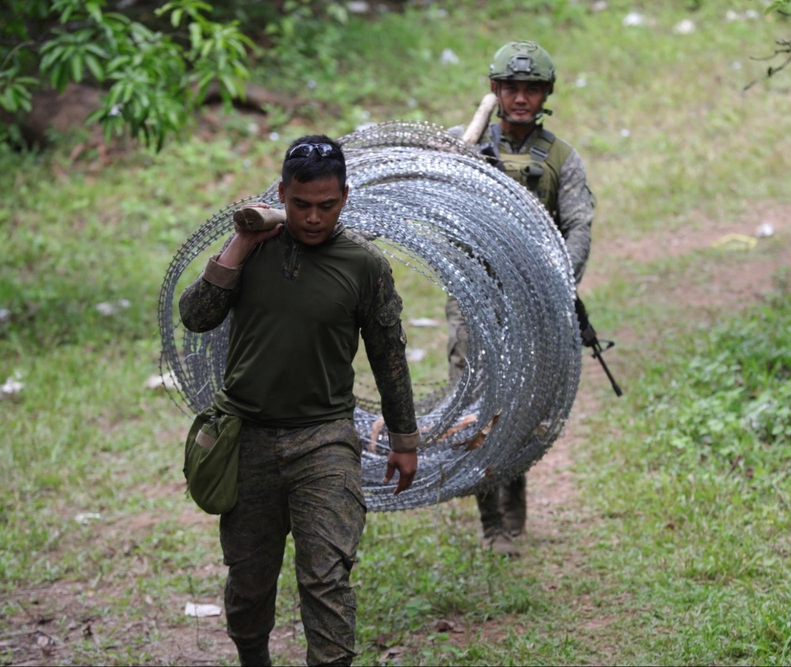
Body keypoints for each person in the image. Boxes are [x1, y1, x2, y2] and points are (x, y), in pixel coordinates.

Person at [179, 134, 421, 666]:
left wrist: (405, 438)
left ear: (345, 197)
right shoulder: (252, 249)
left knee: (327, 576)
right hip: (247, 439)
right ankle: (253, 658)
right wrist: (241, 243)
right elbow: (196, 316)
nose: (313, 218)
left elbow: (388, 354)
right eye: (301, 205)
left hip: (325, 440)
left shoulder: (364, 266)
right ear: (282, 194)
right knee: (249, 579)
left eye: (327, 206)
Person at [447, 40, 595, 557]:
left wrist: (555, 281)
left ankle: (515, 504)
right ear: (495, 90)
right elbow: (437, 199)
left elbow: (578, 226)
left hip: (534, 306)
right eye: (511, 87)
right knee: (476, 407)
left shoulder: (560, 159)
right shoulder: (462, 148)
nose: (521, 98)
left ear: (546, 94)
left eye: (532, 89)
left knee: (526, 408)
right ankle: (492, 524)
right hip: (476, 297)